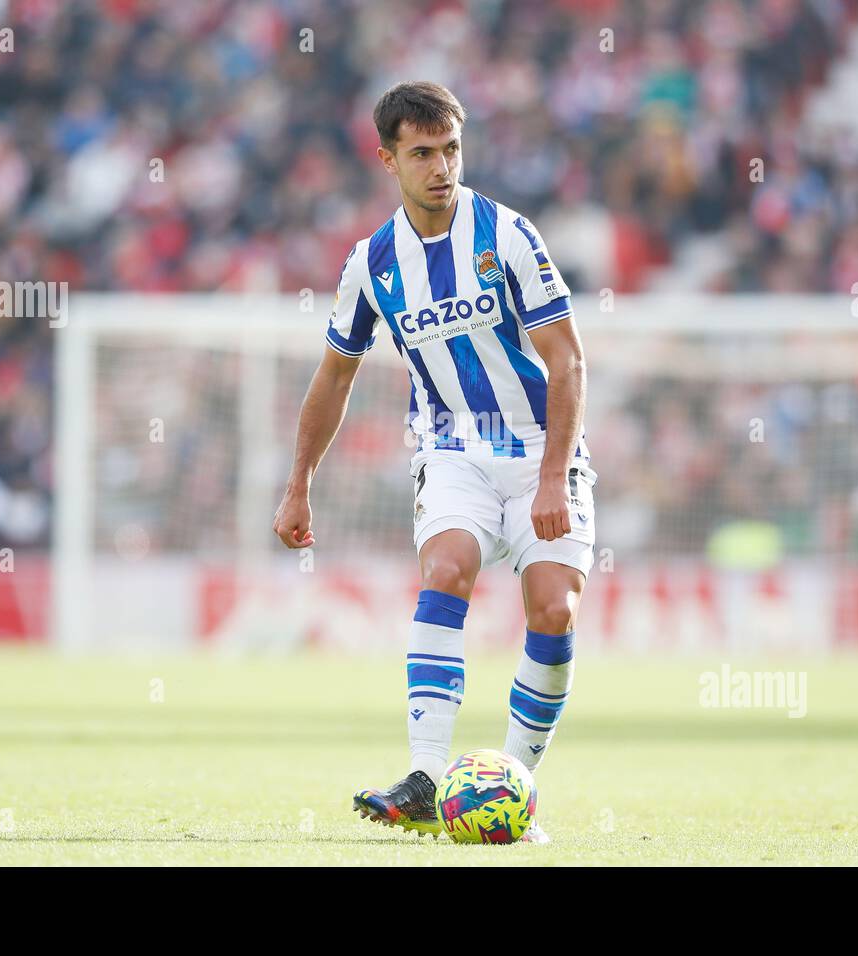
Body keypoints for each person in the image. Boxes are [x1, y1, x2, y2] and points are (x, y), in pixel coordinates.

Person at [272, 81, 596, 844]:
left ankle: (515, 787)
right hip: (451, 449)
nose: (441, 166)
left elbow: (569, 363)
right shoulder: (371, 263)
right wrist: (298, 488)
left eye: (451, 149)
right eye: (422, 153)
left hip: (538, 448)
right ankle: (424, 776)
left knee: (553, 610)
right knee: (446, 569)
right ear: (387, 160)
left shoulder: (508, 235)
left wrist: (553, 474)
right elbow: (334, 376)